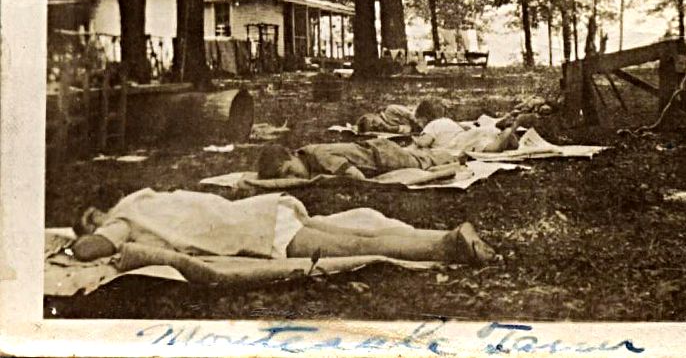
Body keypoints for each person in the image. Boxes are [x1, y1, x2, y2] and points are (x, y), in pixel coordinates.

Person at [70, 188, 495, 264]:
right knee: (363, 235)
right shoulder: (148, 199)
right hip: (266, 212)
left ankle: (447, 247)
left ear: (101, 212)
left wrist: (79, 242)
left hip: (258, 229)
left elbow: (91, 248)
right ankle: (448, 237)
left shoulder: (125, 216)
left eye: (90, 218)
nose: (93, 226)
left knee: (361, 247)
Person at [257, 137, 459, 181]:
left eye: (290, 171)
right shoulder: (308, 156)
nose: (294, 178)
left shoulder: (319, 156)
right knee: (417, 157)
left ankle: (456, 156)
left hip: (382, 156)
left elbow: (355, 175)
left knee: (423, 162)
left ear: (293, 155)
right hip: (376, 151)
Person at [356, 98, 447, 134]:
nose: (375, 125)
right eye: (373, 127)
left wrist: (416, 121)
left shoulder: (391, 110)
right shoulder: (388, 125)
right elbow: (406, 128)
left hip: (418, 114)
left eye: (373, 122)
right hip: (418, 125)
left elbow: (409, 115)